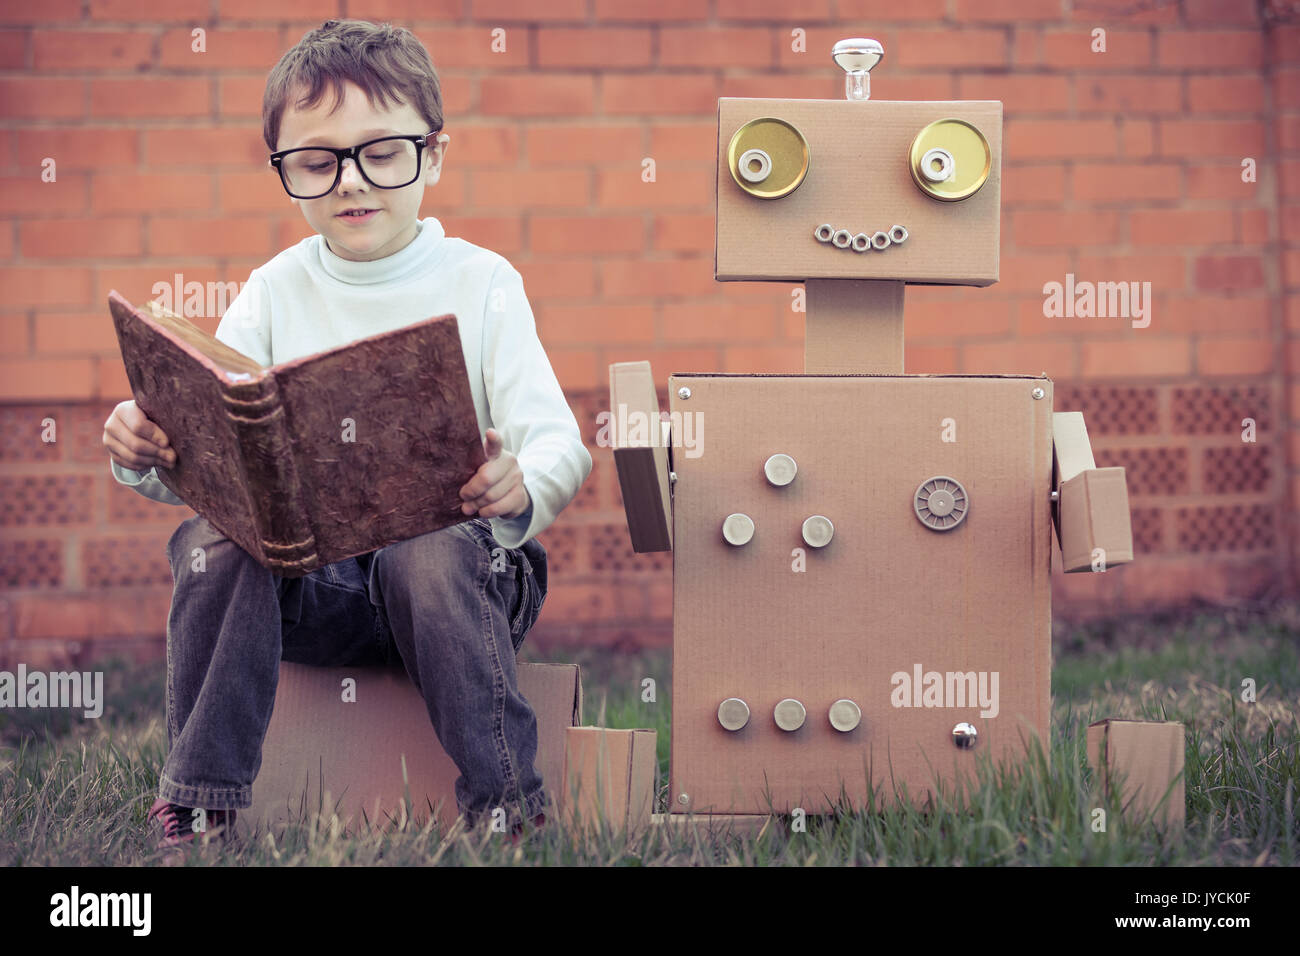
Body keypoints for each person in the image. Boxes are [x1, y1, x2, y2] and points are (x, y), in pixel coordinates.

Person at [101, 18, 592, 851]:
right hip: (319, 590)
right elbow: (225, 442)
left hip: (462, 584)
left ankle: (508, 803)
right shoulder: (272, 289)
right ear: (284, 172)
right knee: (209, 542)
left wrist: (525, 486)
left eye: (383, 151)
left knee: (425, 549)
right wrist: (149, 452)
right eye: (317, 160)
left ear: (434, 153)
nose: (351, 181)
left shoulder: (482, 283)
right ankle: (200, 799)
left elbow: (561, 444)